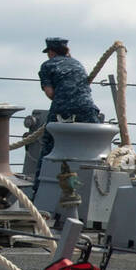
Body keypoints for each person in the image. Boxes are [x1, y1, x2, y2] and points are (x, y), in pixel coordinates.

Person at [34, 37, 103, 184]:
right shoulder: (77, 64)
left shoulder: (47, 66)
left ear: (51, 52)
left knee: (49, 145)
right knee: (98, 144)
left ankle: (38, 187)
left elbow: (50, 93)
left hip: (62, 109)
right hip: (87, 109)